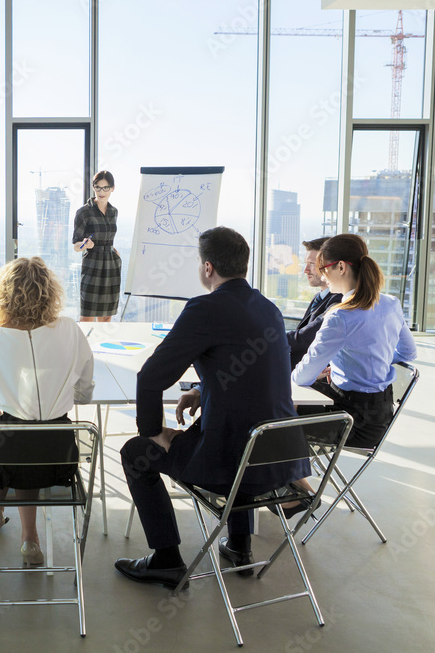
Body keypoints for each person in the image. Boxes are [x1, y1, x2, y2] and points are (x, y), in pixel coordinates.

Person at [114, 227, 310, 588]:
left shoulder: (205, 307)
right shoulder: (268, 308)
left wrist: (153, 433)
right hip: (279, 456)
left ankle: (166, 560)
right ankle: (239, 547)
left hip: (229, 464)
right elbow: (254, 373)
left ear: (207, 268)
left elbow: (151, 377)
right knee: (241, 434)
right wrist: (203, 388)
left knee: (135, 453)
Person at [0, 257, 94, 566]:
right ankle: (29, 538)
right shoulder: (69, 329)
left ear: (4, 294)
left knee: (5, 430)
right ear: (49, 292)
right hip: (59, 455)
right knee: (22, 438)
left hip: (9, 455)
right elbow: (84, 383)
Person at [292, 233, 417, 449]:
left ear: (341, 267)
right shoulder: (390, 303)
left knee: (275, 411)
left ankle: (298, 481)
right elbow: (408, 353)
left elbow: (302, 377)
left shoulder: (340, 316)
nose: (323, 277)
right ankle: (297, 480)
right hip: (379, 417)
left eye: (324, 269)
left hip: (350, 422)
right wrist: (372, 360)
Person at [72, 170, 121, 322]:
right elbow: (76, 245)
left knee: (106, 316)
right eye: (98, 187)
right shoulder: (83, 212)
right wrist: (85, 244)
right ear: (93, 187)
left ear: (112, 188)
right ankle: (84, 346)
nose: (101, 192)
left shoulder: (114, 212)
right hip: (92, 264)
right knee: (87, 316)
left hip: (111, 265)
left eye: (106, 188)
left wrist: (115, 254)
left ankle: (100, 346)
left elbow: (109, 237)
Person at [288, 237, 344, 369]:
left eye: (312, 264)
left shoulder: (339, 301)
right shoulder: (320, 296)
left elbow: (305, 338)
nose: (306, 270)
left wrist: (266, 340)